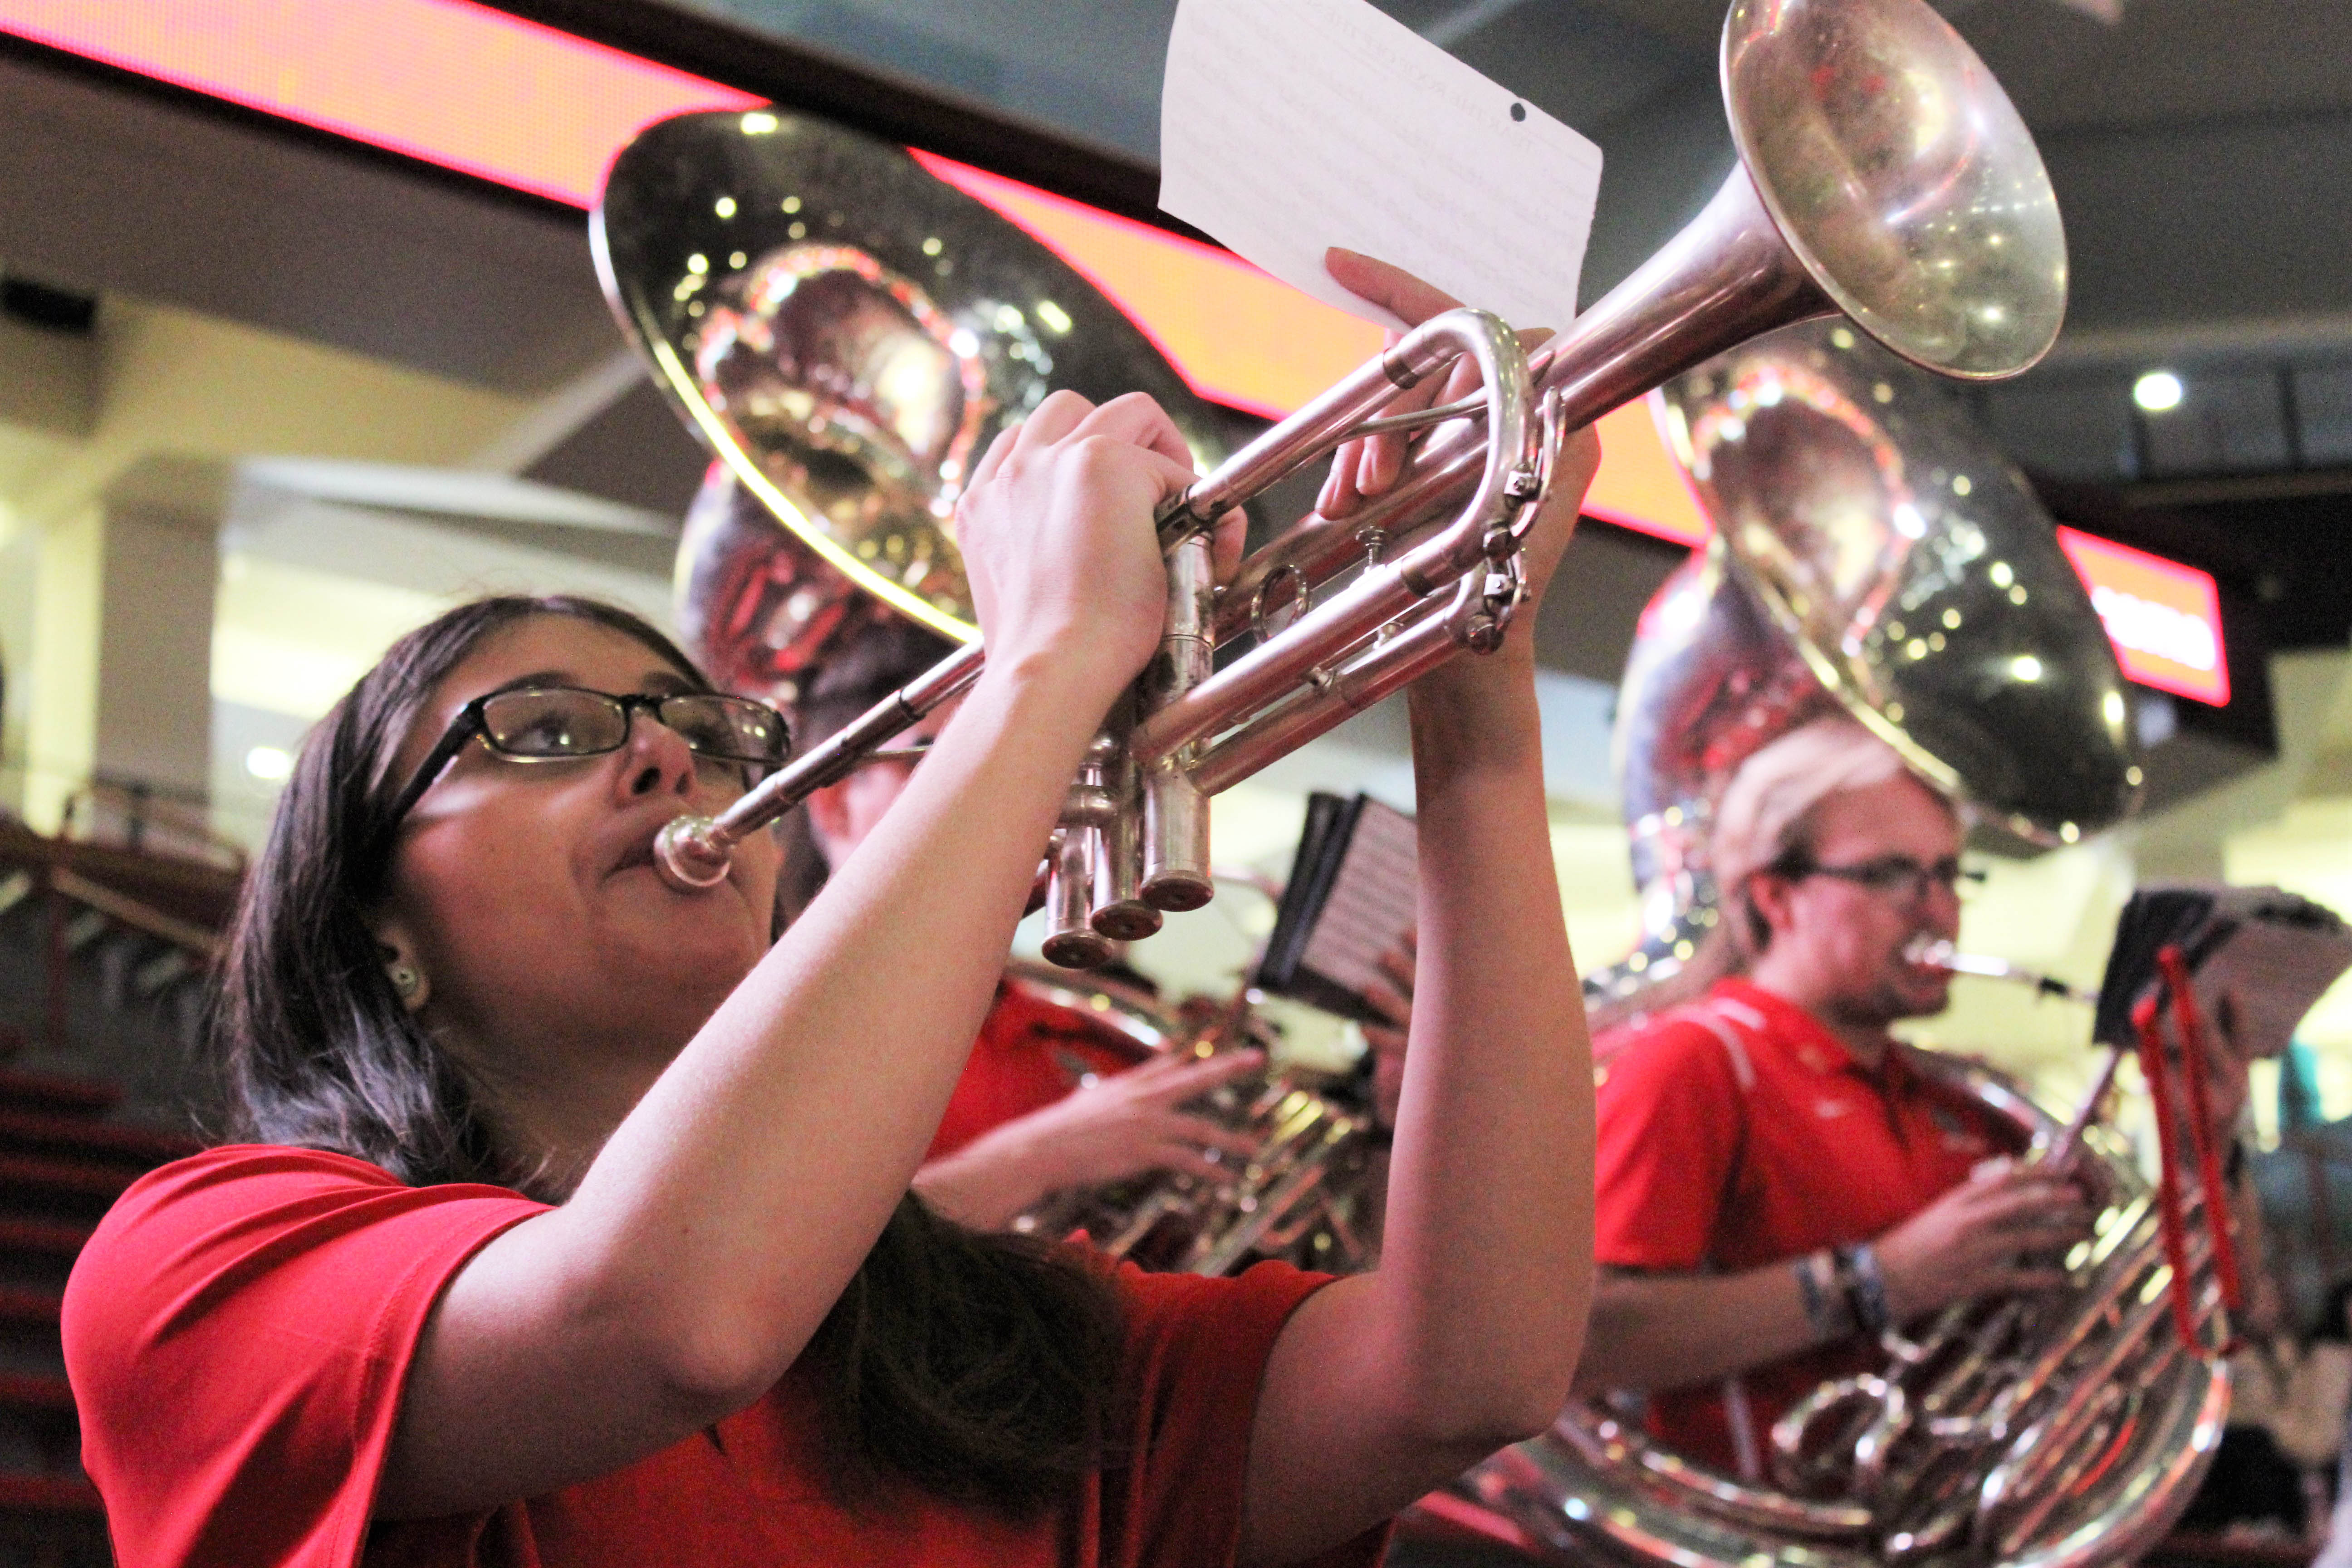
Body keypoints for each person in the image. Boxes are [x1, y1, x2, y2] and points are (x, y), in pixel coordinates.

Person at [61, 252, 1603, 1568]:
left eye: (705, 731)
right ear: (373, 923)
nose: (669, 750)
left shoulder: (992, 1340)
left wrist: (1475, 680)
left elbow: (1470, 1369)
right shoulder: (201, 1260)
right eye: (542, 731)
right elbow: (671, 1314)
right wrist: (1043, 672)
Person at [760, 597, 1416, 1233]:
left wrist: (1399, 1116)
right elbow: (753, 1272)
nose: (1008, 798)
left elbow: (1337, 1279)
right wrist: (1038, 1159)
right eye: (945, 759)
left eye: (1021, 764)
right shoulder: (759, 1031)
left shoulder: (1097, 1038)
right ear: (835, 807)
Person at [1573, 715, 2093, 1478]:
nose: (1936, 906)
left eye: (1949, 873)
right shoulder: (1695, 1062)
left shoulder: (1957, 1097)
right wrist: (1875, 1282)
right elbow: (1583, 1341)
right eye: (1890, 874)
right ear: (1778, 898)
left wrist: (2195, 1144)